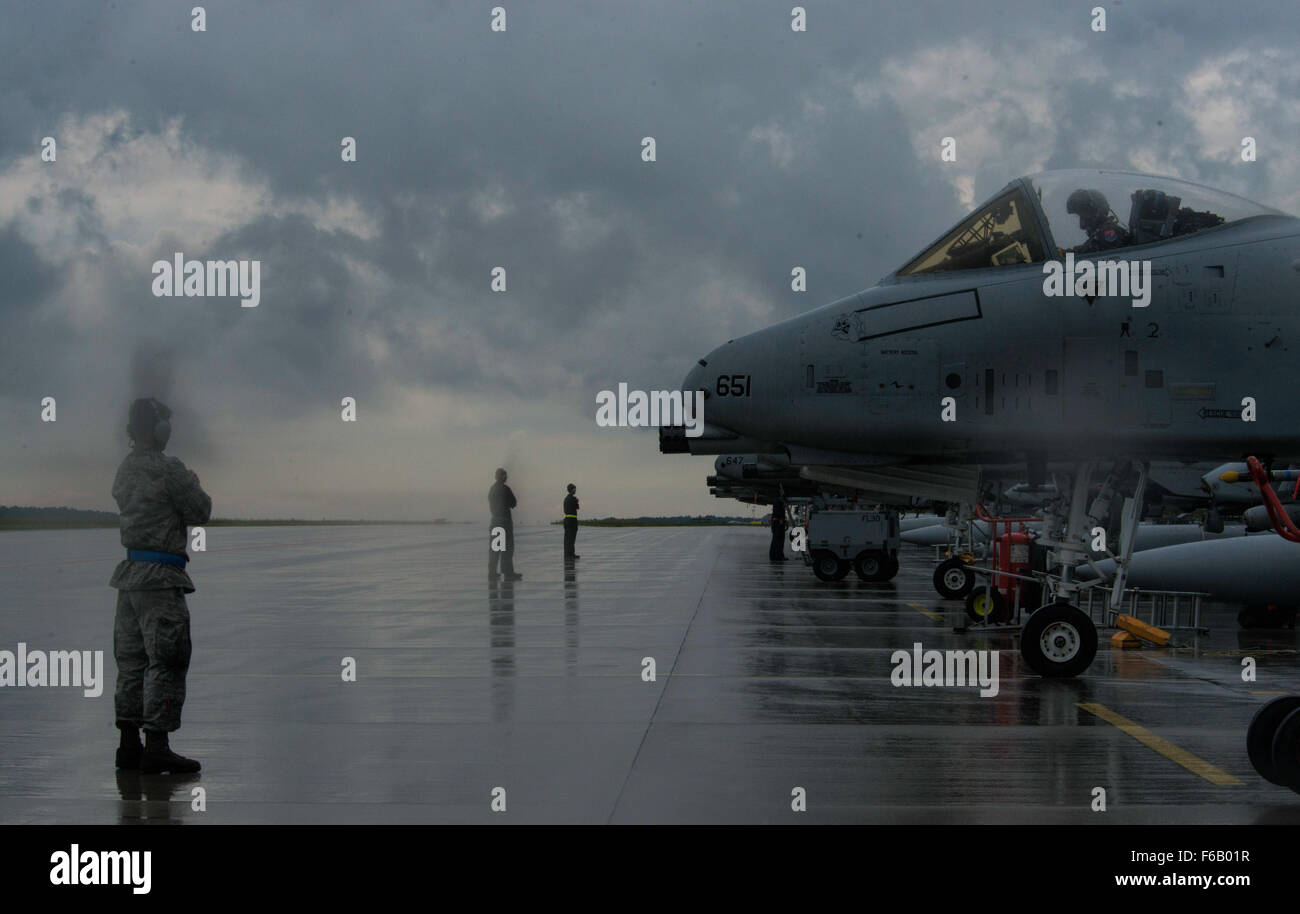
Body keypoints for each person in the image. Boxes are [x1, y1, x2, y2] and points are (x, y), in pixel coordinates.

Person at [109, 398, 211, 774]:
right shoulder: (170, 470)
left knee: (132, 663)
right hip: (161, 578)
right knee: (166, 659)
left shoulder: (125, 469)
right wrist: (193, 483)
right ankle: (157, 745)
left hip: (131, 578)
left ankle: (128, 745)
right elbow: (201, 511)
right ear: (158, 430)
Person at [1066, 188, 1131, 254]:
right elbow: (1084, 250)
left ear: (1097, 211)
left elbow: (1088, 254)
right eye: (1080, 215)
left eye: (1085, 213)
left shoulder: (1108, 232)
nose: (1082, 220)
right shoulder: (1098, 234)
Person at [488, 468, 522, 581]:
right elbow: (514, 503)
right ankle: (508, 572)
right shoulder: (505, 489)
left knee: (494, 550)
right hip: (505, 523)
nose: (506, 477)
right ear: (503, 477)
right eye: (505, 476)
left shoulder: (492, 489)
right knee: (507, 549)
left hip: (494, 522)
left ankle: (492, 573)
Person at [563, 484, 580, 561]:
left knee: (567, 539)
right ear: (571, 490)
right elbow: (577, 507)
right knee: (571, 538)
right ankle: (570, 554)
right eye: (574, 489)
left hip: (567, 520)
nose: (575, 490)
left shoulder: (566, 499)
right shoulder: (572, 499)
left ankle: (567, 554)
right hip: (572, 521)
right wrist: (576, 501)